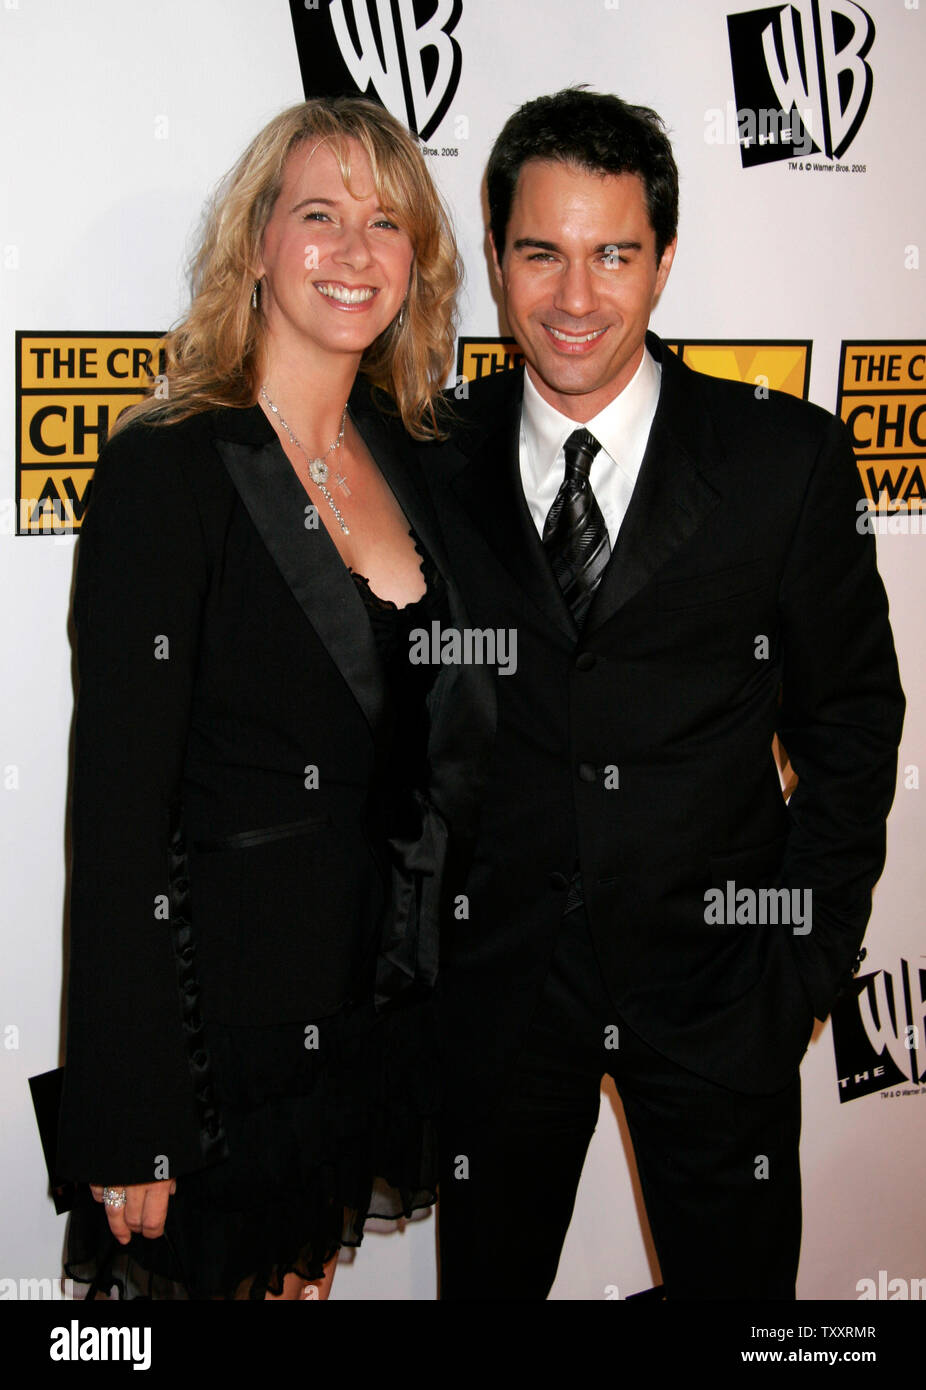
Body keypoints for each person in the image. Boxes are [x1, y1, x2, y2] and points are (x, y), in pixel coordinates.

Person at [423, 88, 905, 1300]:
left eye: (612, 255)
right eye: (539, 252)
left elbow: (852, 722)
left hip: (716, 992)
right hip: (500, 996)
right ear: (493, 256)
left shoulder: (778, 461)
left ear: (664, 259)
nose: (574, 298)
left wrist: (798, 960)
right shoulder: (430, 451)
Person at [56, 96, 490, 1300]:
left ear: (418, 263)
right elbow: (119, 813)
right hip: (218, 1041)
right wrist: (136, 1106)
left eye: (388, 223)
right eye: (319, 215)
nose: (356, 252)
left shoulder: (412, 456)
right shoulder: (171, 464)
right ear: (254, 242)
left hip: (361, 1018)